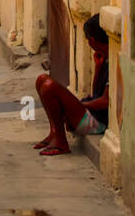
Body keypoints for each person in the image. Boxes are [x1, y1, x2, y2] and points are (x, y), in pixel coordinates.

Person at [33, 15, 109, 156]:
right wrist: (98, 68)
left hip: (99, 123)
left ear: (92, 41)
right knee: (41, 79)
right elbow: (97, 93)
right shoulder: (104, 59)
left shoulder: (113, 61)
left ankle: (61, 141)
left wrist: (78, 106)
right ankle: (54, 133)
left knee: (50, 86)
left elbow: (105, 101)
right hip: (93, 115)